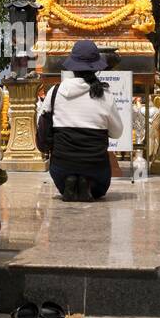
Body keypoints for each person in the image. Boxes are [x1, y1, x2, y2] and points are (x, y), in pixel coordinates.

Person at [47, 40, 123, 201]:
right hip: (96, 169)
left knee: (64, 173)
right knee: (99, 189)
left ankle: (70, 182)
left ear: (72, 66)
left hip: (61, 168)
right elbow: (117, 133)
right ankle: (87, 184)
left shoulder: (54, 92)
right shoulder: (104, 94)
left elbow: (43, 129)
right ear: (97, 67)